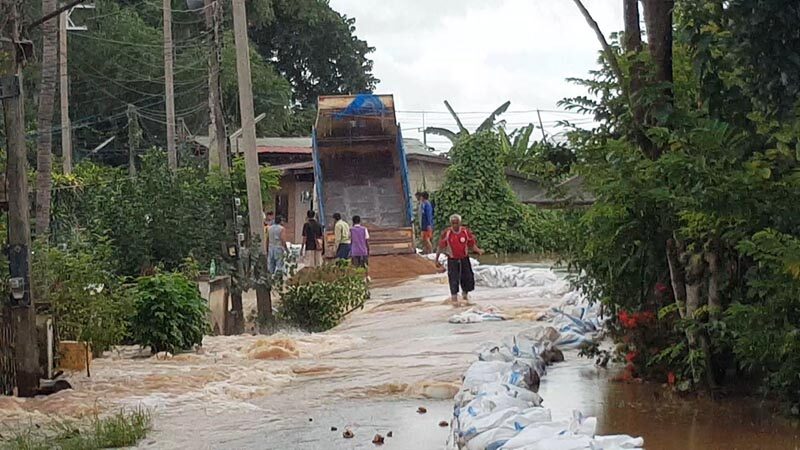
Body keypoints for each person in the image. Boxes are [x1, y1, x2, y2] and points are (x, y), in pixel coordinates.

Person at [434, 214, 483, 306]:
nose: (455, 225)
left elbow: (471, 244)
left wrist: (478, 250)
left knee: (467, 277)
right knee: (453, 279)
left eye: (456, 223)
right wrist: (436, 260)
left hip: (464, 259)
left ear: (460, 223)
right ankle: (454, 299)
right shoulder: (447, 233)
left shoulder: (465, 232)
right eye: (453, 223)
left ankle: (465, 296)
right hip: (452, 260)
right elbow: (440, 247)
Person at [350, 215, 370, 280]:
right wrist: (368, 249)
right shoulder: (364, 229)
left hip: (355, 251)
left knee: (356, 266)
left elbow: (349, 239)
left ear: (353, 222)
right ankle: (366, 276)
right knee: (365, 265)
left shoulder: (351, 230)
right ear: (360, 221)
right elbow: (366, 240)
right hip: (363, 250)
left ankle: (358, 278)